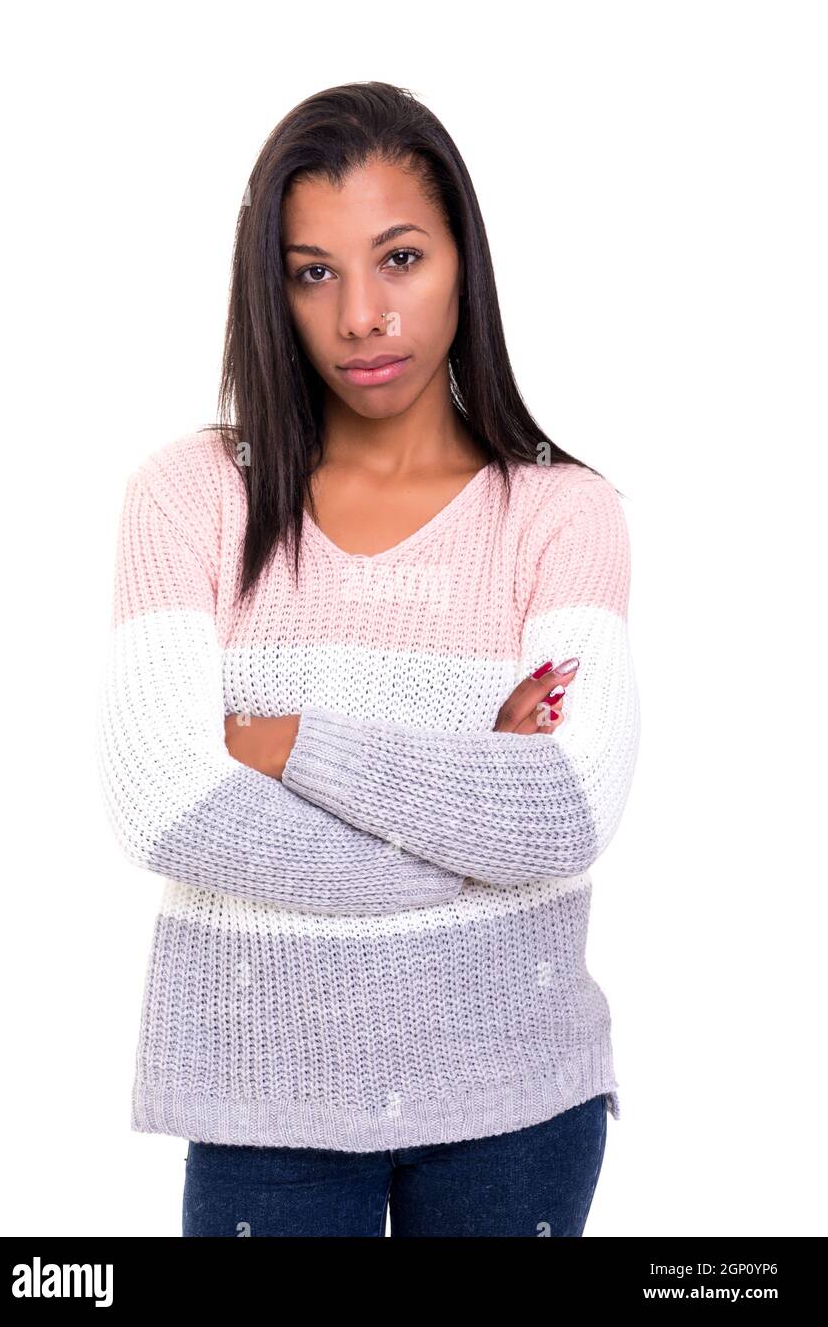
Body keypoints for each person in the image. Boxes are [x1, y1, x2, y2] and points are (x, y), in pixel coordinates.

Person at [96, 80, 640, 1237]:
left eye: (398, 258)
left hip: (517, 1099)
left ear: (462, 261)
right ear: (272, 289)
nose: (360, 315)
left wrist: (279, 741)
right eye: (313, 271)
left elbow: (566, 807)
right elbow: (162, 804)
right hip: (265, 1106)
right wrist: (461, 833)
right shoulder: (189, 500)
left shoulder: (562, 515)